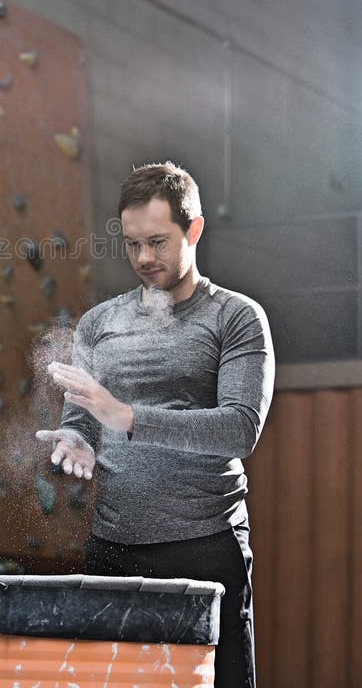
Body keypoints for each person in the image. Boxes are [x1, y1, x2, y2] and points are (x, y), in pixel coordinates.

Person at [36, 161, 274, 688]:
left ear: (195, 229)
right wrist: (75, 439)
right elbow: (85, 417)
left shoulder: (235, 318)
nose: (144, 258)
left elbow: (239, 429)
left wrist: (127, 417)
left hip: (205, 545)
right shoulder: (99, 324)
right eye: (133, 244)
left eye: (159, 242)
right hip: (113, 550)